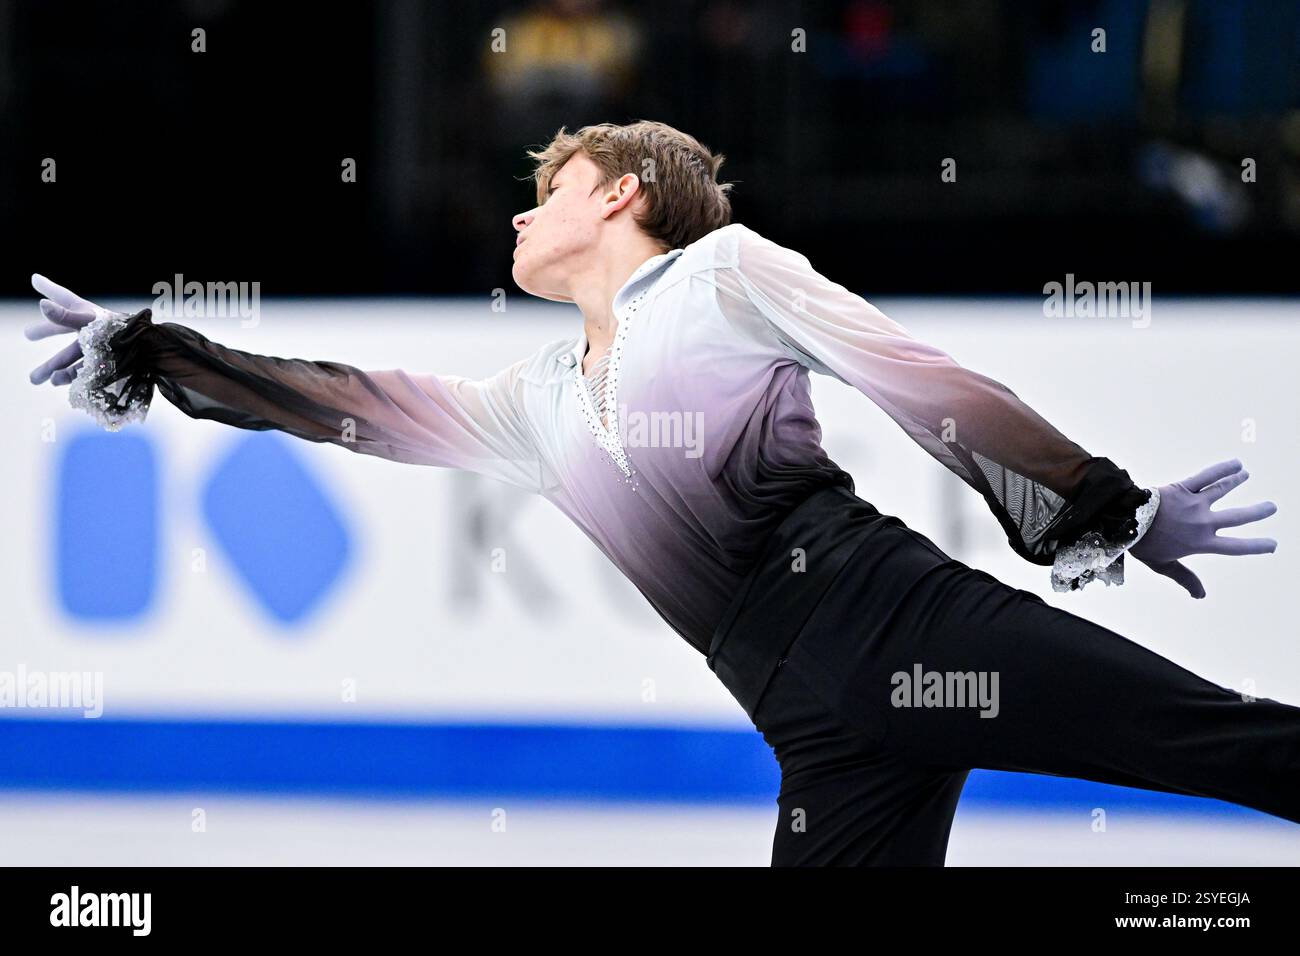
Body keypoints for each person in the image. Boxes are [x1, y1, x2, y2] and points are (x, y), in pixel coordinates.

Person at [26, 119, 1293, 865]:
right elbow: (351, 403)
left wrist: (1099, 507)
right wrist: (160, 349)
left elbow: (919, 380)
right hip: (816, 730)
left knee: (1221, 740)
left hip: (901, 624)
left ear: (622, 194)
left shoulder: (723, 274)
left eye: (548, 190)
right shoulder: (535, 404)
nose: (522, 215)